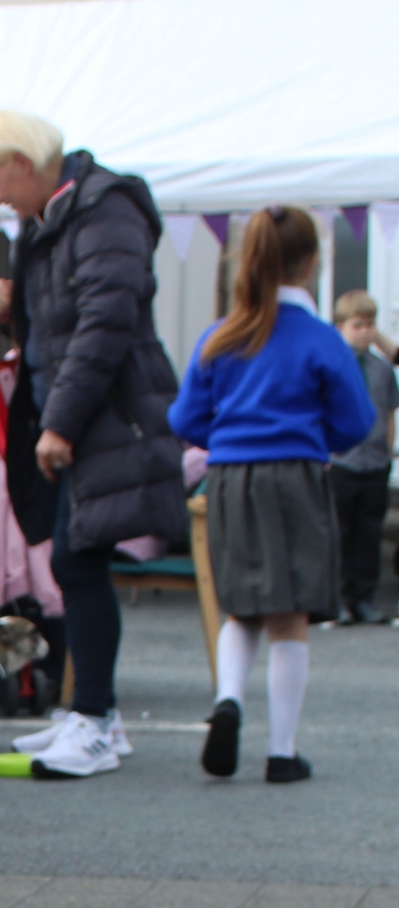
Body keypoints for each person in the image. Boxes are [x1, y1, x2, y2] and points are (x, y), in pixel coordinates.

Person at [0, 110, 185, 779]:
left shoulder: (101, 209)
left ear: (28, 164)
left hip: (105, 418)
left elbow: (103, 322)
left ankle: (92, 721)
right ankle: (97, 715)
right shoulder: (53, 220)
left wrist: (58, 422)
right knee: (74, 559)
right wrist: (17, 310)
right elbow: (71, 319)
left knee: (78, 558)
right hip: (87, 415)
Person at [169, 207, 374, 785]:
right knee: (291, 617)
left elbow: (185, 417)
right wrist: (313, 437)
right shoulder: (321, 338)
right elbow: (357, 421)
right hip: (297, 478)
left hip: (231, 478)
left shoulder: (221, 336)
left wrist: (230, 439)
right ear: (311, 263)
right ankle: (282, 752)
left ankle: (229, 698)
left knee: (244, 607)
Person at [328, 289, 397, 625]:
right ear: (340, 326)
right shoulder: (333, 365)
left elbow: (389, 413)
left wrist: (387, 451)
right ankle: (338, 599)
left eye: (370, 325)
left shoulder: (382, 369)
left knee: (369, 534)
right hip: (341, 461)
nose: (366, 331)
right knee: (339, 532)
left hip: (375, 461)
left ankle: (364, 598)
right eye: (358, 325)